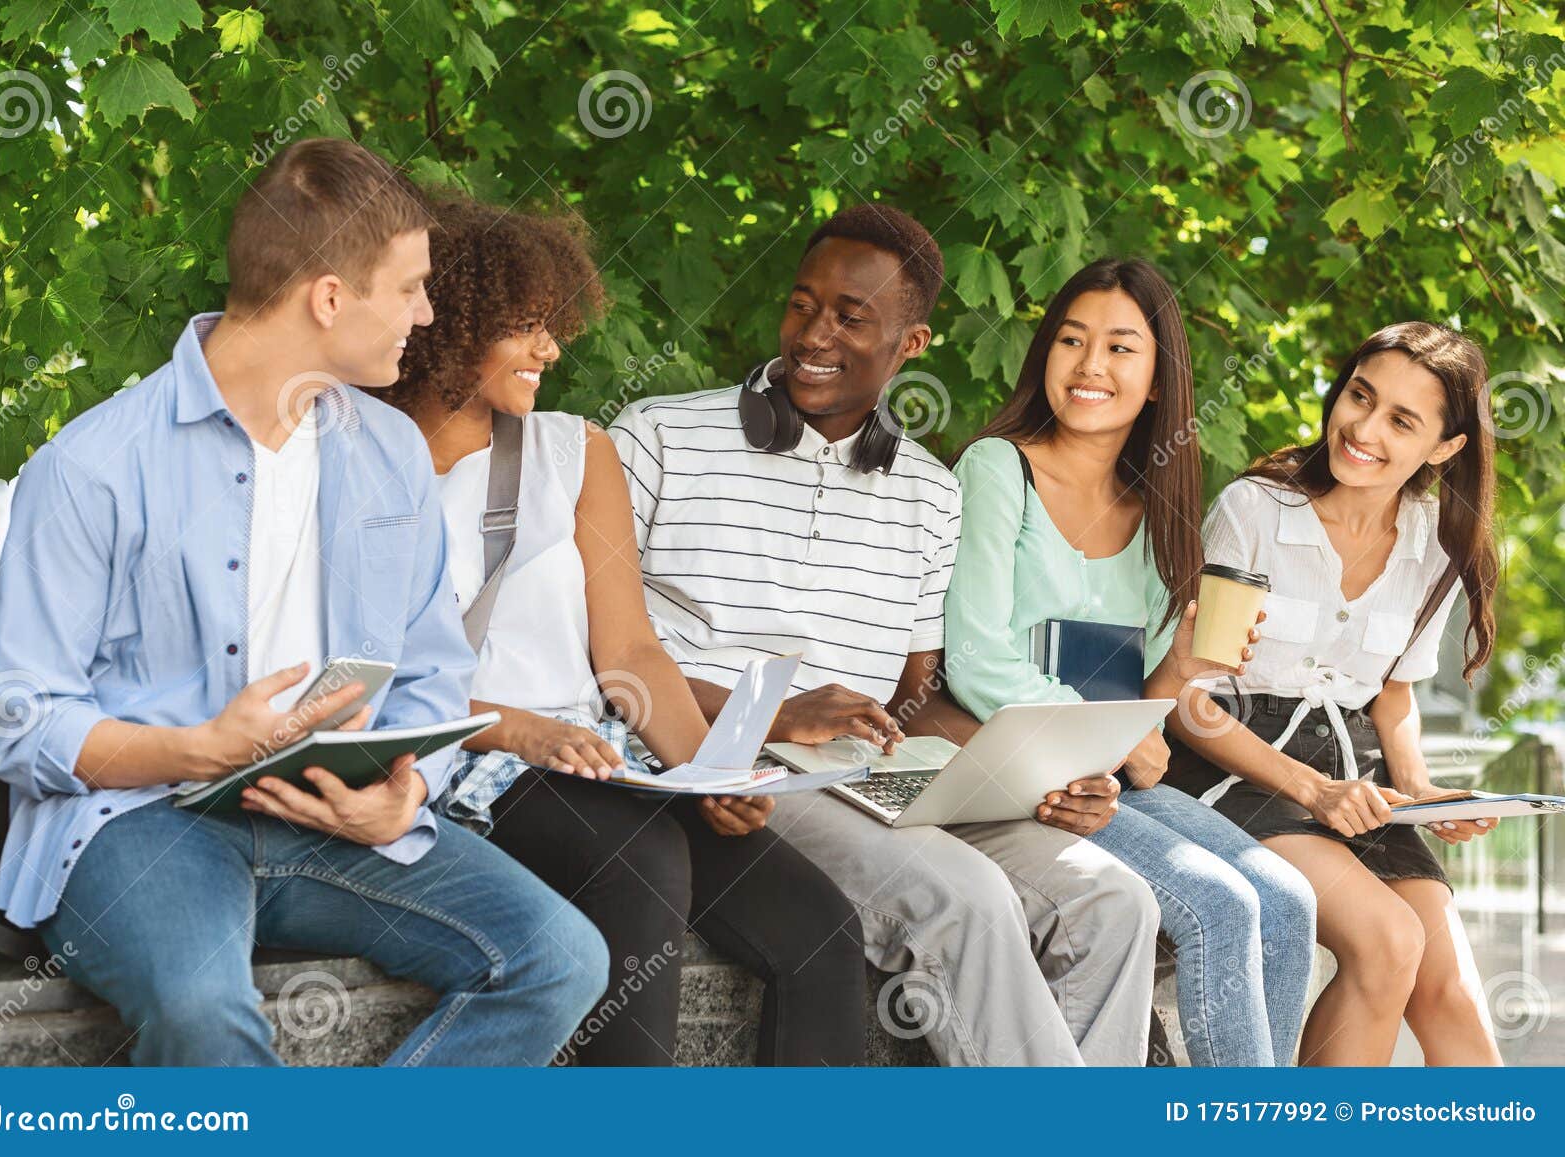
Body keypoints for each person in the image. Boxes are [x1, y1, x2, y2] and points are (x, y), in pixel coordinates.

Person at [0, 139, 607, 1067]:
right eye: (409, 289)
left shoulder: (387, 451)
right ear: (328, 298)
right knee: (202, 1010)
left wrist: (408, 793)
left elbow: (434, 674)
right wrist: (190, 748)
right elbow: (25, 723)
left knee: (561, 958)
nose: (428, 314)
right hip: (144, 820)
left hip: (331, 810)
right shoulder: (93, 465)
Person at [611, 203, 1163, 1066]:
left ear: (913, 344)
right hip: (726, 760)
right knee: (967, 897)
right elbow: (597, 653)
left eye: (850, 315)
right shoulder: (656, 435)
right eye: (802, 304)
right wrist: (781, 713)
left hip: (872, 774)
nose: (812, 333)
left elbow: (918, 700)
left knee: (1114, 900)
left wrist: (1045, 779)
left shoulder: (932, 492)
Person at [387, 194, 866, 1065]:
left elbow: (632, 651)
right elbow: (362, 668)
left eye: (553, 325)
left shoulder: (576, 449)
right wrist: (518, 727)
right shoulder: (356, 456)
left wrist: (705, 770)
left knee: (820, 930)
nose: (551, 349)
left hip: (605, 758)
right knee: (644, 867)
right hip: (464, 757)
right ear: (451, 323)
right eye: (526, 327)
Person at [943, 257, 1316, 1067]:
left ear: (1156, 382)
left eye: (1120, 348)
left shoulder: (1155, 511)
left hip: (1107, 779)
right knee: (1216, 904)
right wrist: (1113, 742)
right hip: (1012, 774)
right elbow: (976, 660)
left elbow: (1139, 698)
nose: (1089, 366)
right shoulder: (997, 468)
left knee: (1287, 900)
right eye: (1072, 341)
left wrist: (1182, 670)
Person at [1162, 320, 1505, 1066]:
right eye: (1360, 396)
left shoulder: (1435, 546)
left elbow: (1392, 698)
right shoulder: (1254, 508)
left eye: (1401, 420)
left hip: (1358, 774)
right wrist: (1311, 789)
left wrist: (1419, 786)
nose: (1364, 427)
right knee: (1389, 940)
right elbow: (1190, 700)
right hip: (1237, 762)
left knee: (1451, 989)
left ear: (1445, 448)